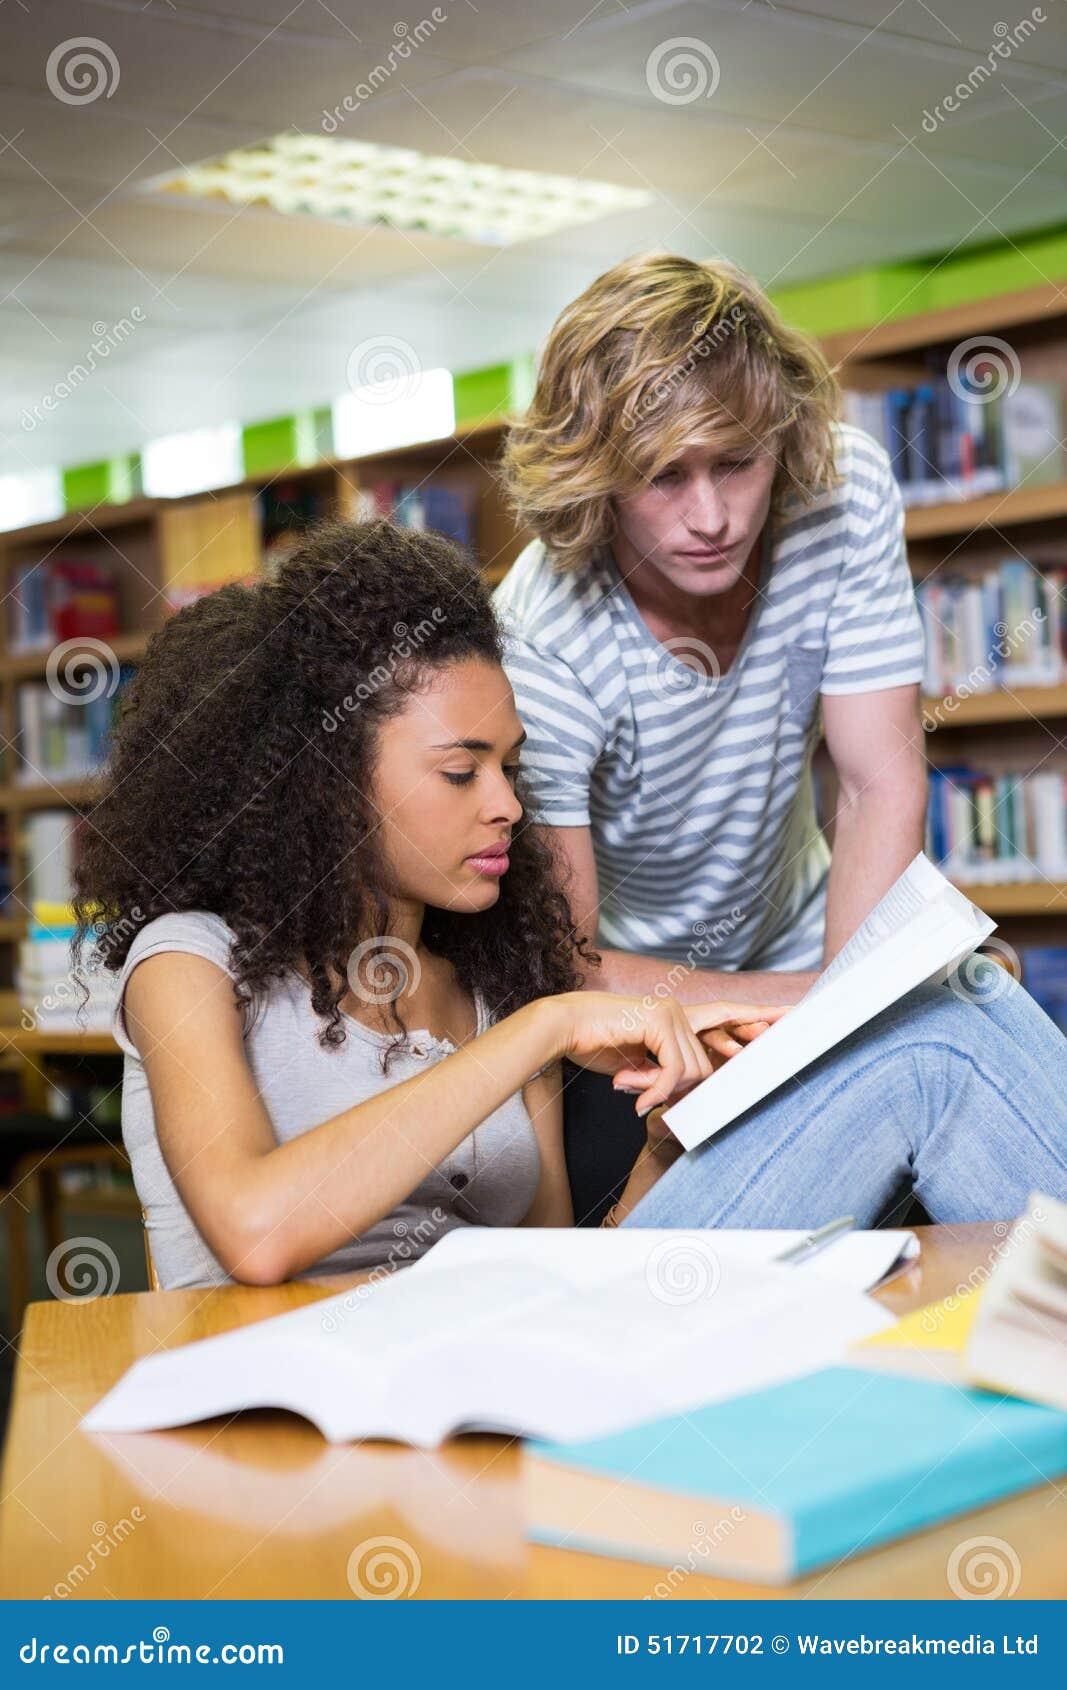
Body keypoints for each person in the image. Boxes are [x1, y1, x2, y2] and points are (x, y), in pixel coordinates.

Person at [72, 521, 1067, 1290]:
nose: (507, 804)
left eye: (510, 767)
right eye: (460, 771)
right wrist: (543, 1028)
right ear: (324, 781)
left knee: (956, 1002)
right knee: (938, 1046)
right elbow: (254, 1232)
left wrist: (662, 1148)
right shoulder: (187, 961)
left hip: (513, 1353)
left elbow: (561, 1264)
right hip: (313, 1386)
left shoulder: (481, 980)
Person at [494, 251, 931, 1217]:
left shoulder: (843, 490)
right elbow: (565, 958)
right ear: (596, 479)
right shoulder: (539, 630)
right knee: (667, 1252)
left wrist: (840, 1010)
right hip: (634, 1010)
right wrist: (817, 1004)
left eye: (736, 462)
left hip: (814, 940)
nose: (711, 518)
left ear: (780, 434)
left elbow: (877, 785)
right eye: (661, 477)